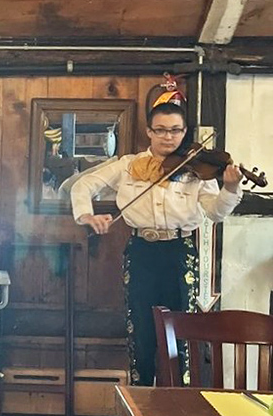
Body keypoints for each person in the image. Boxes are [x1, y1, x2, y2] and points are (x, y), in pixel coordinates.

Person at [70, 101, 243, 386]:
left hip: (180, 251)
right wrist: (86, 215)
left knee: (182, 328)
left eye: (175, 130)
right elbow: (83, 185)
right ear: (149, 132)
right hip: (141, 251)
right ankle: (141, 399)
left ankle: (180, 400)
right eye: (161, 130)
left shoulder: (197, 168)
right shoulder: (128, 166)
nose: (168, 137)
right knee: (140, 328)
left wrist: (231, 188)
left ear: (184, 132)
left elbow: (215, 212)